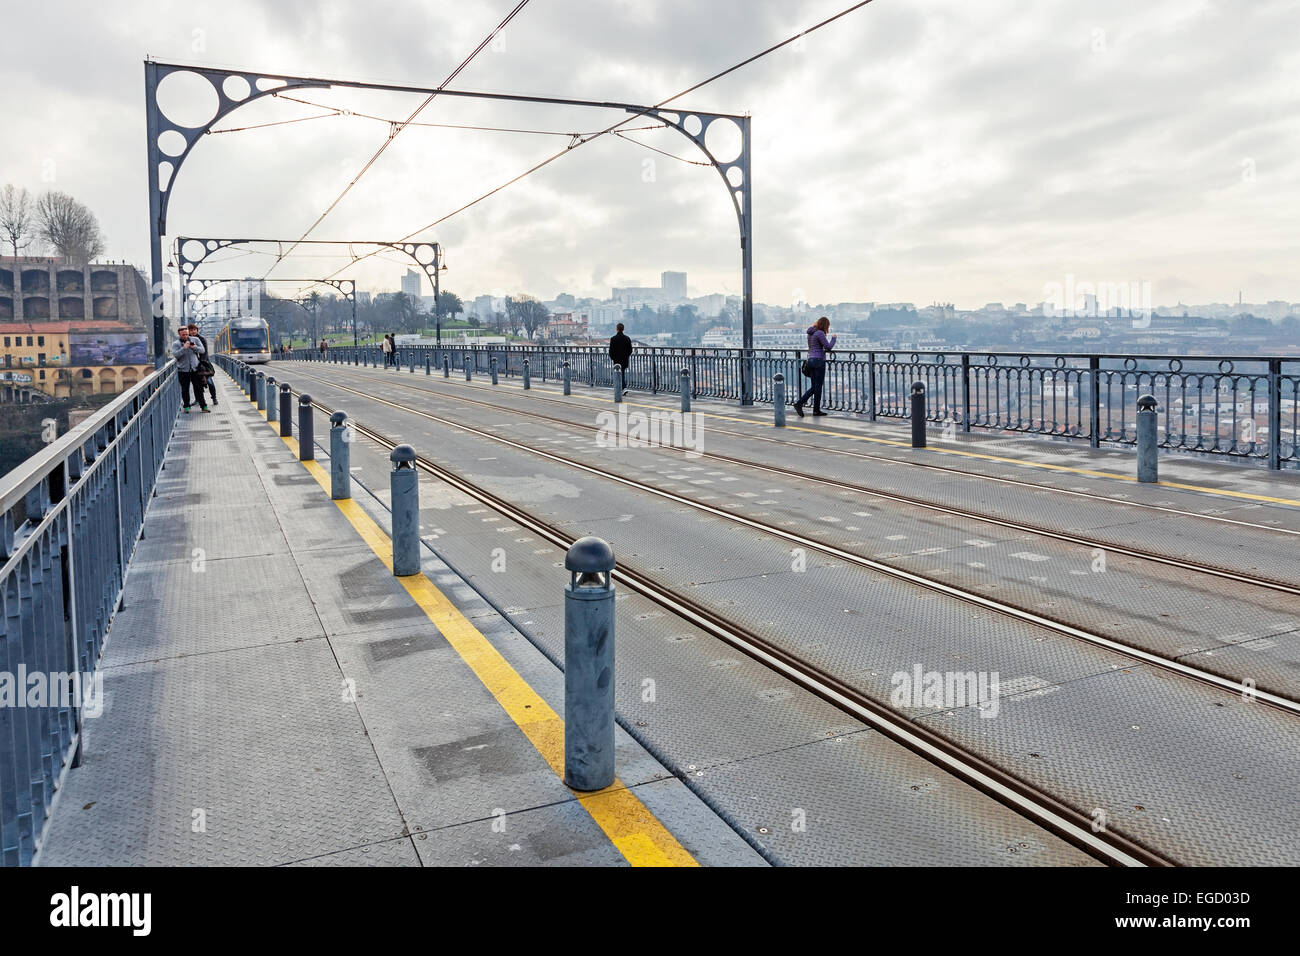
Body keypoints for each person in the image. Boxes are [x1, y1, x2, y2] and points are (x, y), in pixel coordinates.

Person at [794, 316, 836, 417]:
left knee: (814, 387)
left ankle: (815, 410)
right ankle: (800, 404)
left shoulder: (811, 333)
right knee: (817, 387)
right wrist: (834, 338)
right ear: (825, 325)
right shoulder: (820, 333)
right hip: (818, 361)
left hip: (810, 361)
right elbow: (828, 346)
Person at [170, 325, 209, 413]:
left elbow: (202, 350)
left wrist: (194, 347)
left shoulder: (195, 340)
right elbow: (176, 355)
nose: (185, 336)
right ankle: (186, 407)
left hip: (195, 369)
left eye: (186, 334)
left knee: (199, 388)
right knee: (185, 389)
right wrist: (184, 348)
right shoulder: (176, 344)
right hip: (183, 370)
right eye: (183, 335)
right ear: (179, 334)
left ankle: (204, 406)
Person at [187, 323, 217, 407]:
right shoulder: (187, 340)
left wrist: (201, 363)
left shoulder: (202, 339)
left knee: (209, 381)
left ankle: (214, 398)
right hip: (193, 365)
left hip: (203, 364)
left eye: (194, 330)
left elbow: (204, 352)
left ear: (197, 330)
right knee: (196, 384)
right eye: (191, 330)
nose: (192, 332)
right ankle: (197, 399)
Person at [608, 323, 632, 396]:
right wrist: (626, 356)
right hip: (624, 360)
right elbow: (630, 350)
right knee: (622, 373)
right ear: (623, 329)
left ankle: (622, 388)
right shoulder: (627, 338)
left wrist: (613, 358)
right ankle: (622, 388)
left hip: (616, 360)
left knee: (618, 374)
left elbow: (611, 351)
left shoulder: (613, 339)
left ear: (617, 329)